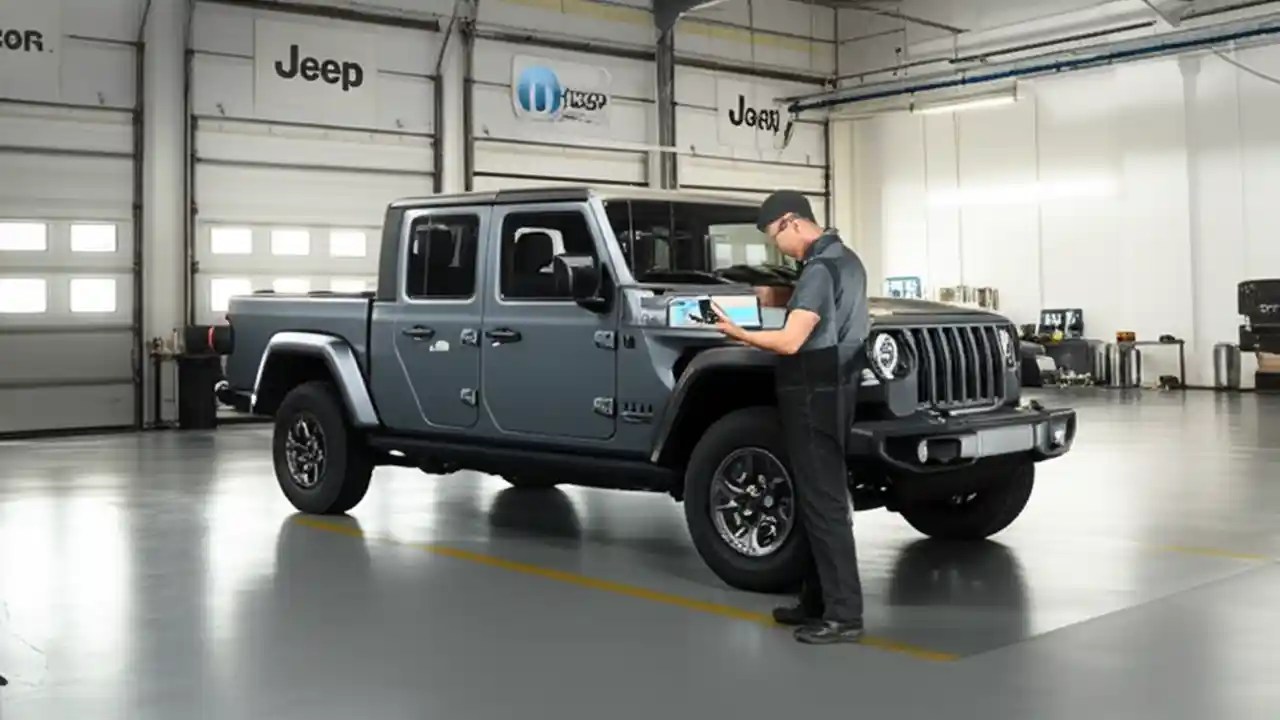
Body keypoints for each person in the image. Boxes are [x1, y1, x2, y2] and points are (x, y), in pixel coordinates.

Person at [711, 190, 869, 645]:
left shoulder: (819, 270)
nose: (775, 247)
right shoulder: (849, 260)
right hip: (839, 386)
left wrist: (738, 333)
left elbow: (790, 342)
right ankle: (816, 601)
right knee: (820, 496)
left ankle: (844, 615)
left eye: (772, 237)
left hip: (810, 391)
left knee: (824, 503)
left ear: (790, 223)